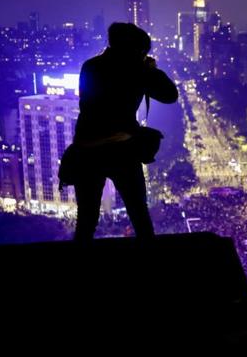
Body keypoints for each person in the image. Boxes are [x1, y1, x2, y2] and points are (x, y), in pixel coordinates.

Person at [72, 22, 178, 241]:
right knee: (139, 213)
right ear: (136, 50)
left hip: (86, 150)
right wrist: (150, 70)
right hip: (121, 150)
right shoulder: (135, 71)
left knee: (86, 220)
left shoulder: (90, 66)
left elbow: (91, 105)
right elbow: (170, 95)